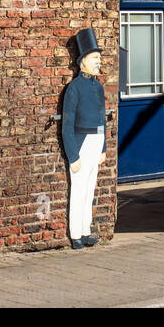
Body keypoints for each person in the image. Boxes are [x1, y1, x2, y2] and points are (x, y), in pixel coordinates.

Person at [62, 28, 107, 250]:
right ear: (83, 61)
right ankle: (75, 234)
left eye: (99, 57)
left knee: (90, 189)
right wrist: (73, 155)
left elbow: (103, 119)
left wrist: (103, 148)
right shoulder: (74, 88)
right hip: (80, 141)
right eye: (95, 57)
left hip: (96, 141)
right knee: (78, 189)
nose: (99, 61)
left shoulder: (98, 86)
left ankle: (86, 230)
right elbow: (67, 124)